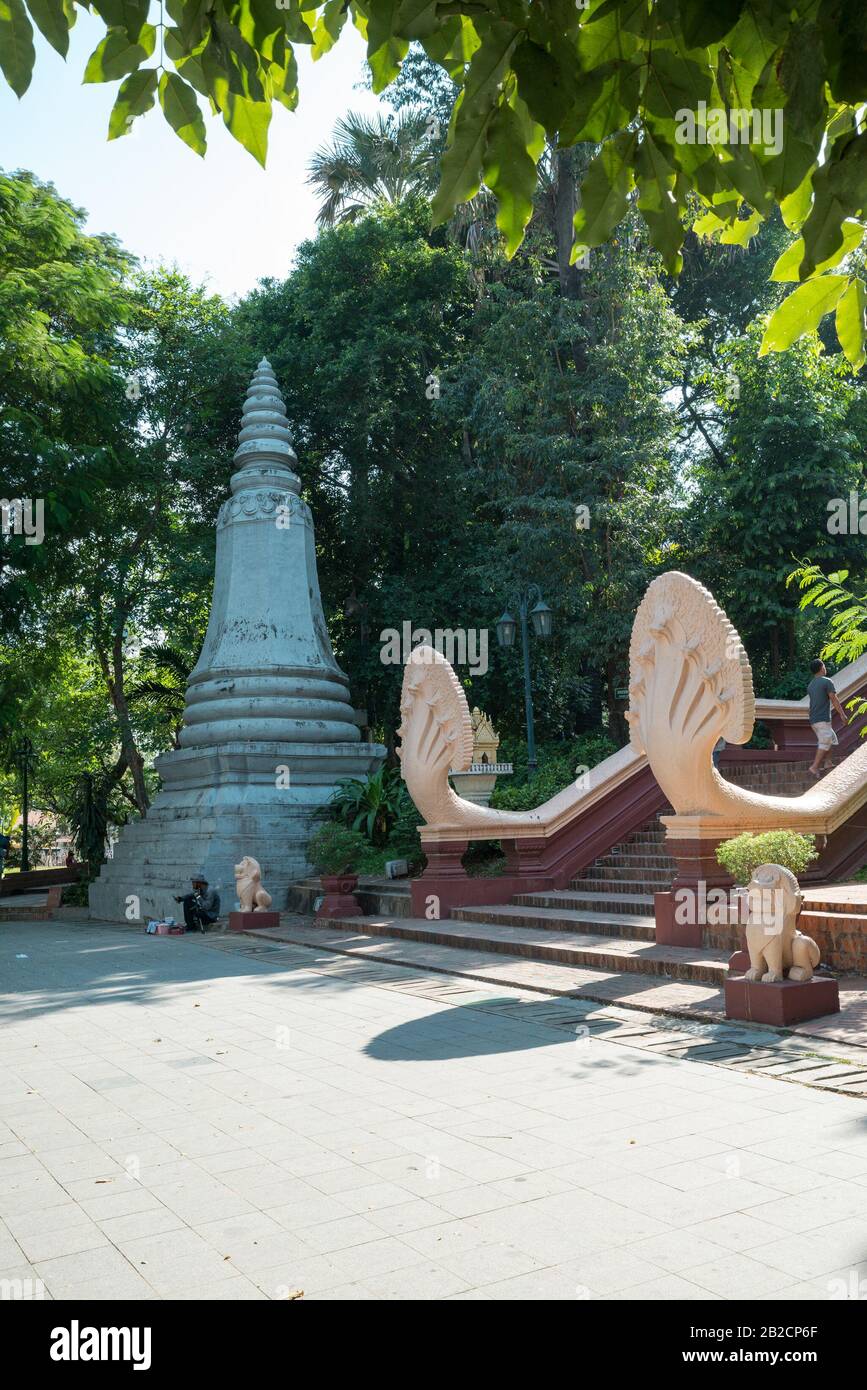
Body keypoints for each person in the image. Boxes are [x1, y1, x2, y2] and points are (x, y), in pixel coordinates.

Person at [807, 658, 847, 778]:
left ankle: (828, 762)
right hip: (822, 719)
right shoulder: (827, 681)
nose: (825, 668)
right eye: (824, 666)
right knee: (825, 741)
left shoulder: (810, 685)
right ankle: (814, 767)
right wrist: (842, 714)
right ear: (821, 668)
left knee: (831, 738)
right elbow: (833, 699)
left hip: (813, 720)